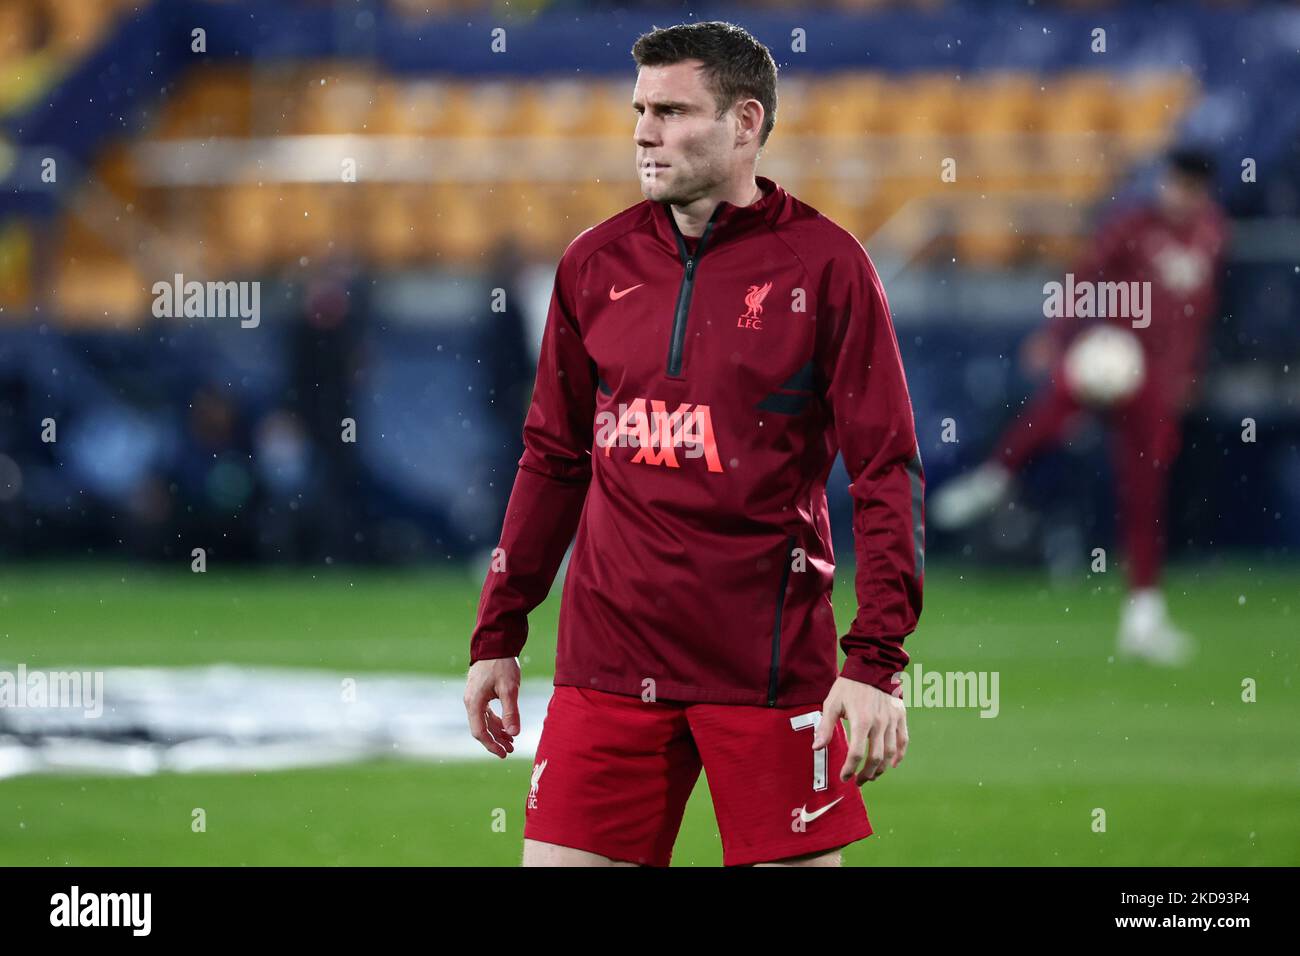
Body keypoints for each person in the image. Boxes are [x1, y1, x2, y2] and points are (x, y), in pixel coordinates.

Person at [464, 21, 924, 867]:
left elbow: (886, 472)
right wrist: (500, 630)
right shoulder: (591, 265)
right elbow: (552, 459)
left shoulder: (826, 267)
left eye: (672, 110)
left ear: (745, 123)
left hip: (769, 669)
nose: (644, 130)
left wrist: (875, 662)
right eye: (640, 109)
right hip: (606, 666)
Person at [930, 146, 1228, 666]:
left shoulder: (1212, 234)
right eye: (1175, 183)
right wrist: (1057, 332)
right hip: (1117, 351)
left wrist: (1189, 372)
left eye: (1190, 186)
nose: (1179, 194)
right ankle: (998, 474)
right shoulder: (1134, 225)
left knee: (1145, 492)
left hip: (1159, 377)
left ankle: (1143, 614)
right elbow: (1086, 275)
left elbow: (1200, 315)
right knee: (1067, 395)